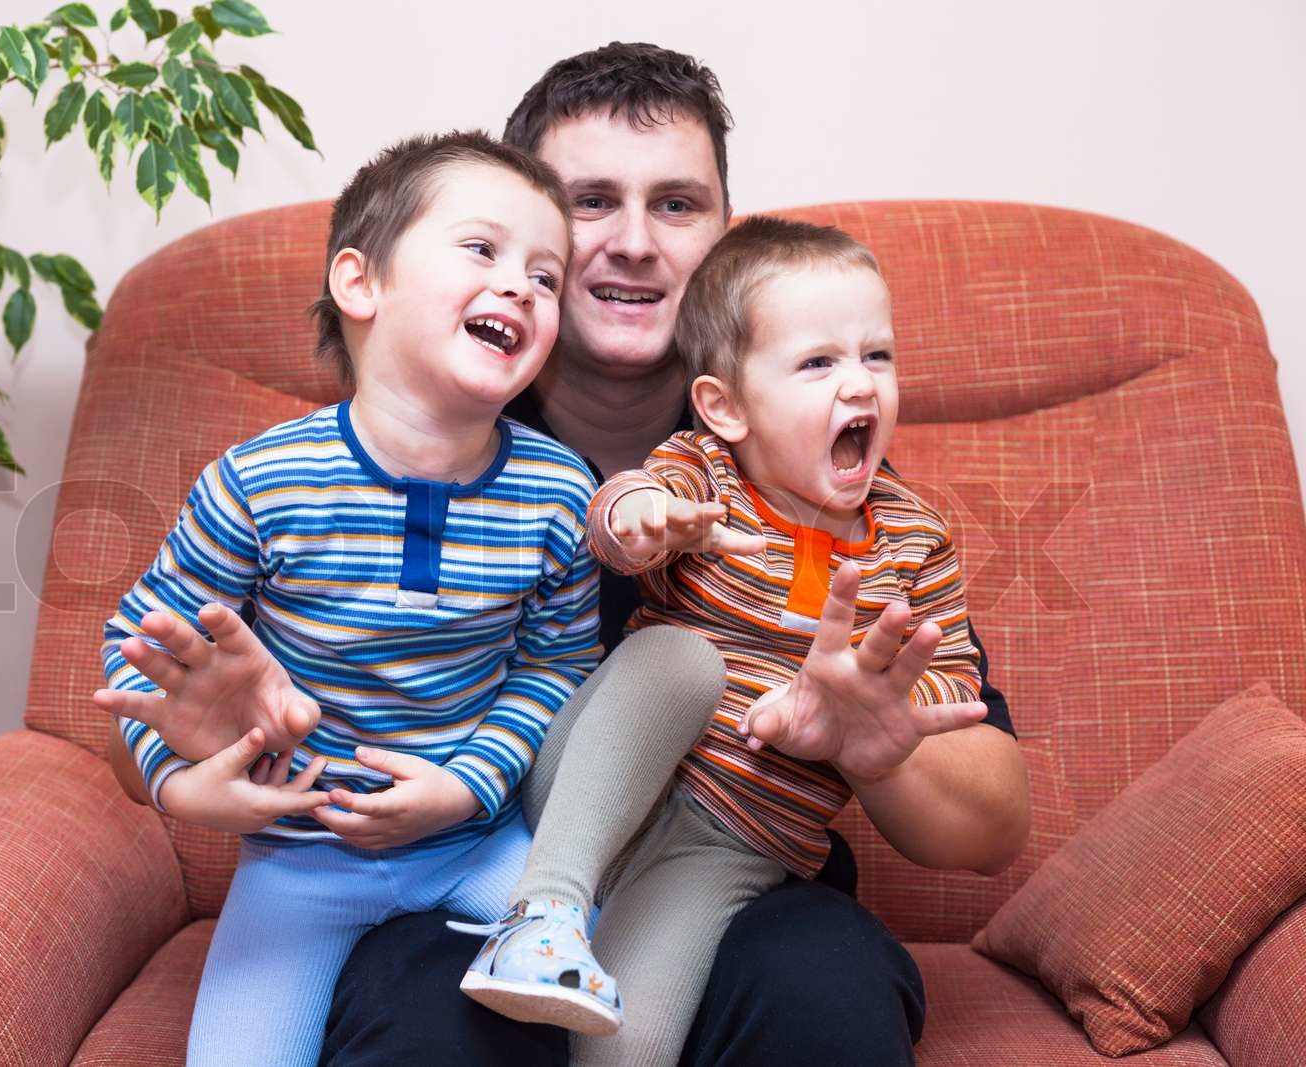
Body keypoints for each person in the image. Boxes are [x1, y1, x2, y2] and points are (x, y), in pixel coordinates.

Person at [105, 42, 1031, 1066]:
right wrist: (210, 738)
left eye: (676, 205)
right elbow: (141, 693)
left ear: (724, 237)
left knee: (827, 990)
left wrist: (875, 741)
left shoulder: (817, 464)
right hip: (455, 865)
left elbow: (989, 823)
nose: (632, 242)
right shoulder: (375, 456)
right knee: (434, 1022)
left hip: (734, 868)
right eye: (590, 201)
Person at [94, 131, 605, 1067]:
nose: (522, 288)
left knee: (606, 985)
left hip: (479, 841)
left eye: (546, 275)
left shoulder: (561, 492)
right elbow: (136, 644)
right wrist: (183, 780)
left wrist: (465, 786)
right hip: (300, 862)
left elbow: (561, 665)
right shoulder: (260, 482)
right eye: (483, 250)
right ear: (360, 285)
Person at [449, 217, 989, 1067]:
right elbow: (630, 500)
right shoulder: (708, 477)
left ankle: (574, 958)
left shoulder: (914, 539)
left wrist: (876, 711)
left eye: (877, 356)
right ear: (724, 406)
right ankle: (544, 905)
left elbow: (950, 690)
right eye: (819, 362)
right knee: (682, 655)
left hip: (733, 844)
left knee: (629, 1042)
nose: (860, 385)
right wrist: (641, 522)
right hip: (600, 780)